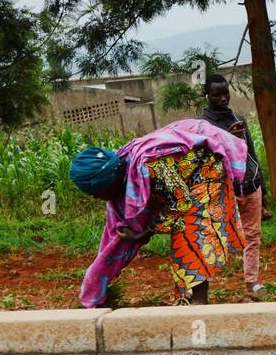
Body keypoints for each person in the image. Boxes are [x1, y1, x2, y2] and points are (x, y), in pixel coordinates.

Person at [70, 118, 247, 308]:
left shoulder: (151, 166)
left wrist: (144, 233)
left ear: (108, 182)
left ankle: (199, 301)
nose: (96, 198)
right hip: (179, 182)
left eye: (96, 193)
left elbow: (181, 202)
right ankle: (98, 295)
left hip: (206, 170)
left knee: (187, 232)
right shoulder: (120, 168)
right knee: (168, 226)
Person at [201, 74, 271, 297]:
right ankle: (202, 286)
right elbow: (204, 160)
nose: (223, 99)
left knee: (252, 236)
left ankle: (252, 283)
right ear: (207, 96)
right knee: (214, 235)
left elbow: (251, 154)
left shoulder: (238, 118)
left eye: (226, 94)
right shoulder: (203, 126)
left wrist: (264, 195)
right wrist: (226, 138)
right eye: (217, 95)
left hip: (250, 185)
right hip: (223, 188)